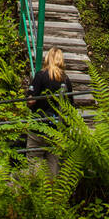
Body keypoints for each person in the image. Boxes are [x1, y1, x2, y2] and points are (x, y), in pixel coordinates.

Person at [26, 47, 74, 176]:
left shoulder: (40, 75)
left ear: (47, 58)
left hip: (39, 125)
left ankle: (31, 187)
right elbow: (70, 107)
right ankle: (49, 192)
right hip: (56, 129)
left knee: (34, 161)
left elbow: (30, 101)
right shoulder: (66, 80)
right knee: (53, 166)